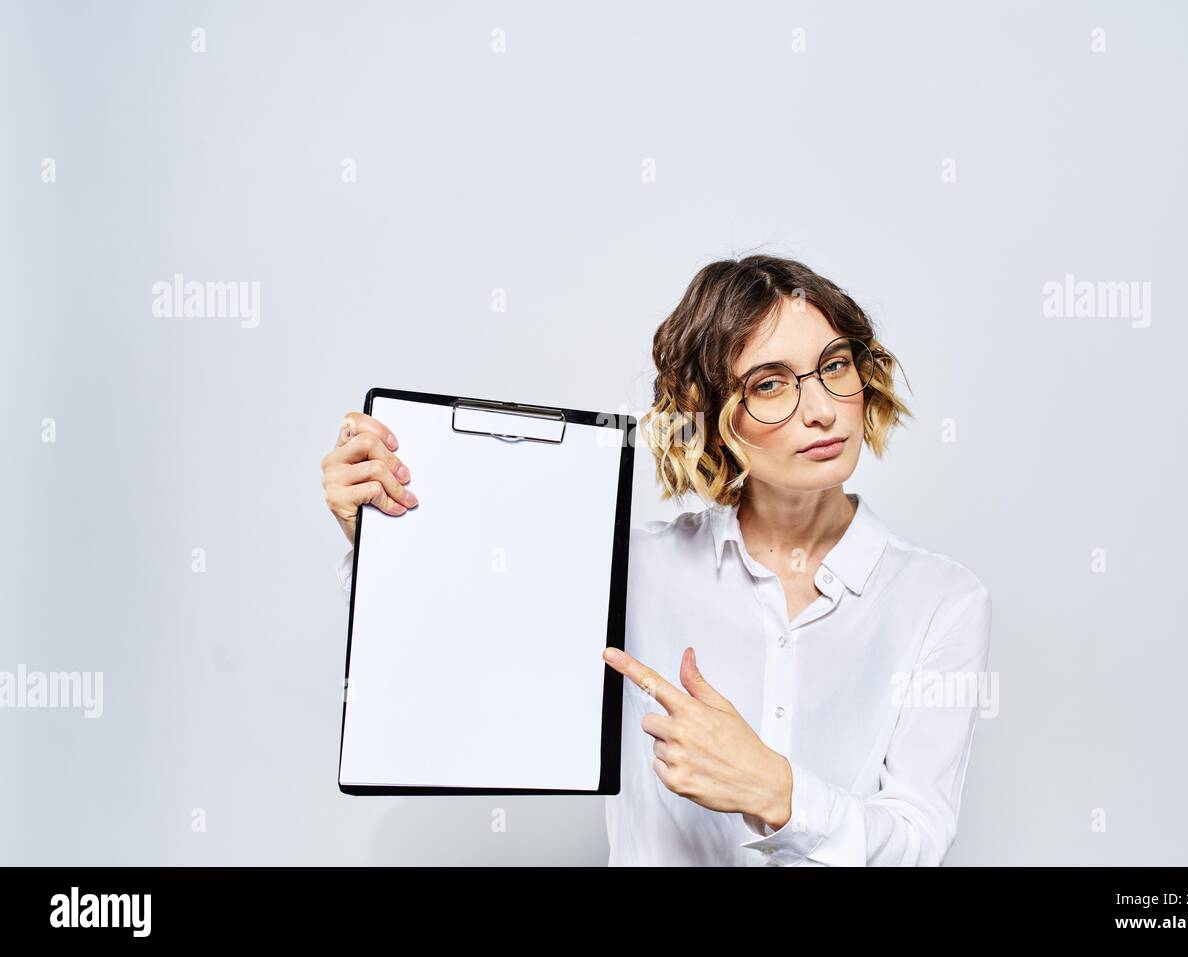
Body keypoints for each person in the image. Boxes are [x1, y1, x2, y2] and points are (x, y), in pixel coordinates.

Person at [320, 255, 993, 866]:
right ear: (709, 414)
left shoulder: (941, 600)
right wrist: (380, 536)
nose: (821, 410)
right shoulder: (633, 569)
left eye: (835, 365)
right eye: (769, 384)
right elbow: (457, 662)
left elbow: (920, 839)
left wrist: (775, 788)